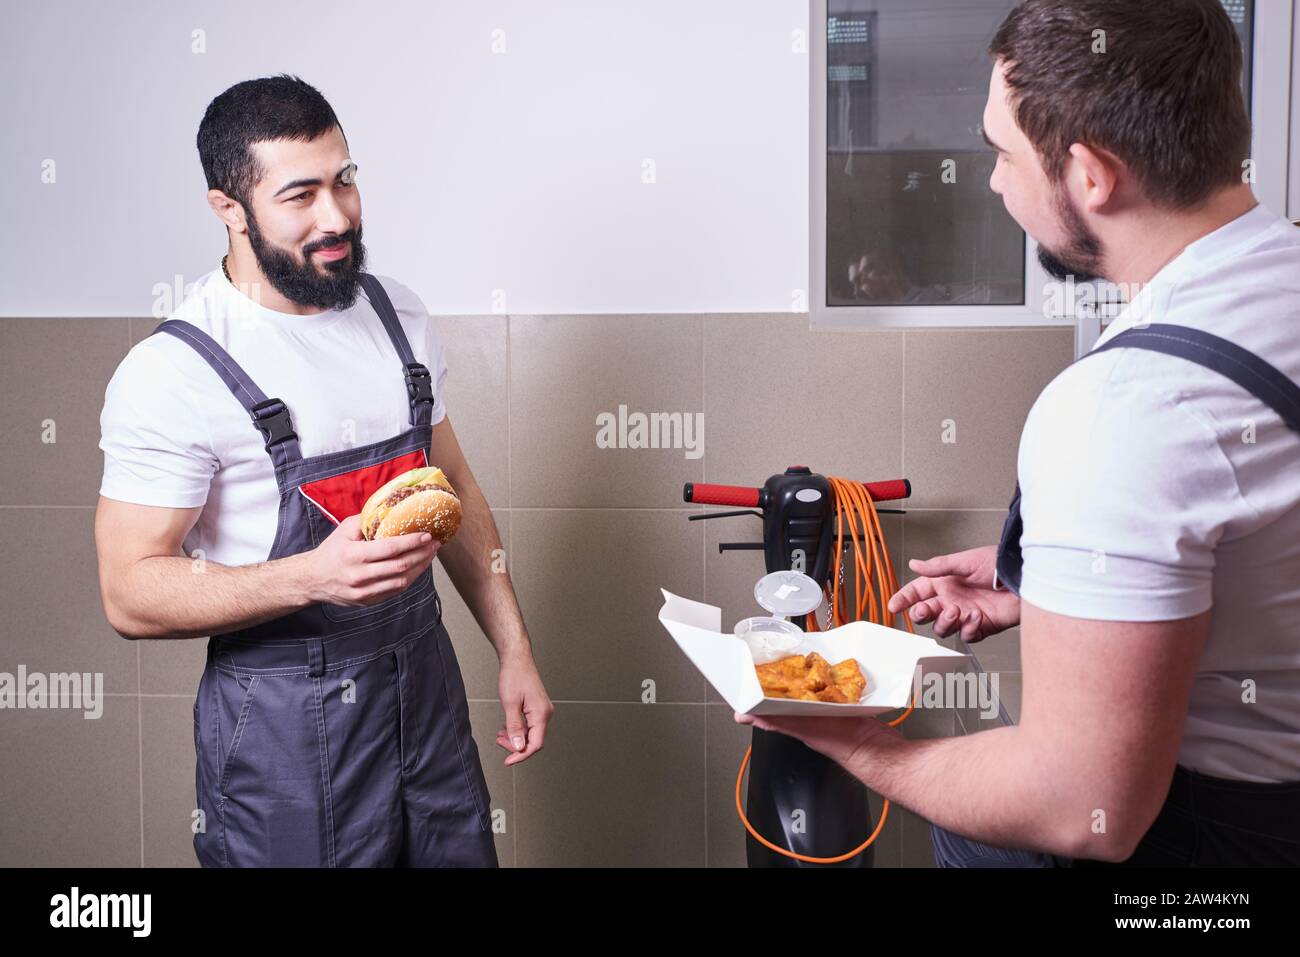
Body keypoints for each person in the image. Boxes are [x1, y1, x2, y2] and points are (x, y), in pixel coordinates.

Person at [737, 0, 1300, 867]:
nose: (995, 182)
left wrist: (853, 743)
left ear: (1089, 173)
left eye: (1001, 152)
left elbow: (1077, 806)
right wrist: (1050, 585)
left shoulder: (1125, 407)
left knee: (974, 826)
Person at [94, 75, 552, 867]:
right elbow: (128, 590)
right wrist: (311, 576)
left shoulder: (396, 315)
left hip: (426, 696)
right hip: (282, 737)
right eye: (300, 195)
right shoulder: (176, 369)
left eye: (345, 180)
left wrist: (514, 646)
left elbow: (457, 490)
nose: (337, 216)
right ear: (228, 208)